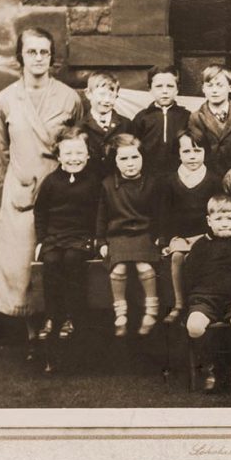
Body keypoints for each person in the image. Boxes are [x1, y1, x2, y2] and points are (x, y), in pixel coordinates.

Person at [0, 27, 83, 355]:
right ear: (21, 57)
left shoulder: (69, 98)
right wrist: (20, 174)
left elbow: (77, 143)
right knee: (22, 264)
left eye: (44, 52)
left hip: (59, 194)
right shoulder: (6, 98)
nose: (39, 58)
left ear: (52, 57)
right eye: (32, 52)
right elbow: (2, 146)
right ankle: (32, 335)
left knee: (54, 261)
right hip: (21, 192)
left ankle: (59, 328)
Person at [183, 195, 231, 391]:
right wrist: (194, 302)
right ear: (209, 221)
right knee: (194, 326)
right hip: (205, 299)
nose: (224, 224)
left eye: (229, 218)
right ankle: (209, 366)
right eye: (218, 219)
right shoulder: (201, 246)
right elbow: (189, 277)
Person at [32, 127, 100, 342]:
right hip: (55, 236)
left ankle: (72, 316)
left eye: (79, 153)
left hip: (81, 236)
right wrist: (42, 240)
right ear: (59, 156)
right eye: (68, 154)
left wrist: (97, 236)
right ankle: (52, 316)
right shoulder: (51, 181)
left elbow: (100, 212)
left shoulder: (93, 181)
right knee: (51, 261)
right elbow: (40, 211)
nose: (74, 159)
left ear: (88, 154)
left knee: (72, 260)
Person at [96, 134, 163, 337]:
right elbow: (101, 216)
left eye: (134, 157)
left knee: (145, 266)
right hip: (118, 235)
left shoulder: (151, 183)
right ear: (115, 162)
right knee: (118, 268)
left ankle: (151, 310)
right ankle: (120, 312)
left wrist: (161, 237)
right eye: (123, 159)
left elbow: (159, 214)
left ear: (142, 158)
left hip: (144, 234)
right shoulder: (108, 185)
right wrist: (101, 241)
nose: (130, 164)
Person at [160, 131, 223, 325]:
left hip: (205, 234)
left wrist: (211, 234)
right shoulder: (169, 181)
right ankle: (179, 305)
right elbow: (164, 214)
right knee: (178, 255)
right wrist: (166, 239)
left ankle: (204, 304)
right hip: (179, 236)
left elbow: (217, 212)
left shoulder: (214, 180)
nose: (192, 156)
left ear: (205, 152)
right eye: (186, 151)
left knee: (205, 255)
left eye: (197, 150)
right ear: (178, 154)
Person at [187, 64, 231, 176]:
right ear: (203, 88)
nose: (214, 90)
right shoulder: (196, 117)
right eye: (209, 86)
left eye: (220, 86)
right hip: (208, 173)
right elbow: (198, 148)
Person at [131, 65, 191, 177]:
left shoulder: (186, 116)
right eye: (159, 86)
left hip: (179, 174)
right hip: (148, 174)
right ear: (150, 89)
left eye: (170, 86)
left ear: (177, 89)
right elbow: (134, 147)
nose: (164, 91)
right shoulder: (142, 117)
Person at [82, 70, 133, 176]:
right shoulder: (81, 126)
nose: (106, 100)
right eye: (102, 94)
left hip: (118, 182)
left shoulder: (126, 124)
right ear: (88, 94)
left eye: (111, 96)